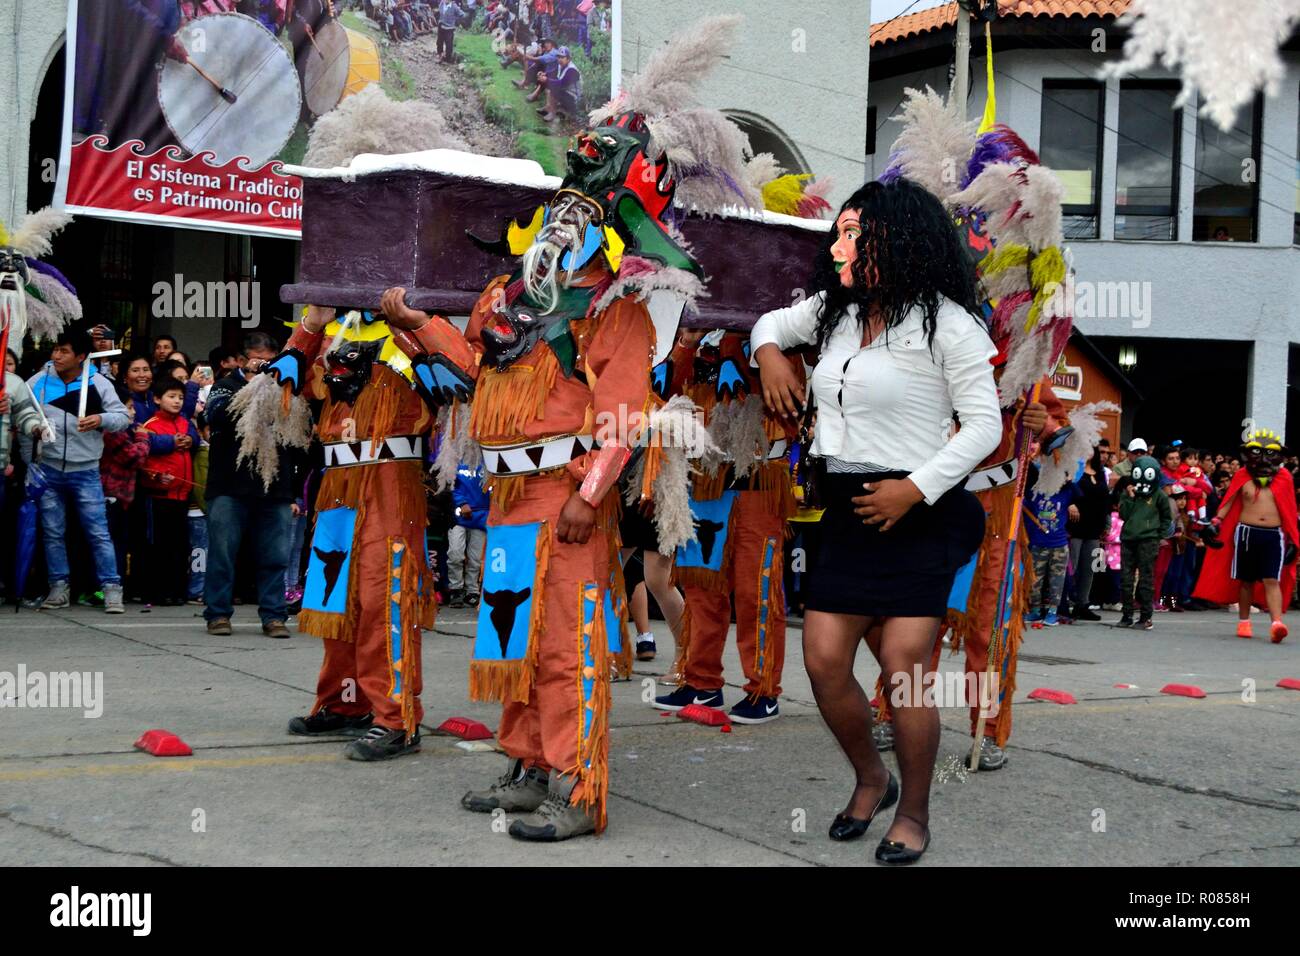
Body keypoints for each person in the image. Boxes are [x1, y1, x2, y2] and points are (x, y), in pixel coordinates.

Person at [752, 178, 1001, 864]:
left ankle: (914, 815)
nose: (838, 246)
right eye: (837, 232)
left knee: (903, 668)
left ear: (895, 239)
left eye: (852, 234)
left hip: (921, 511)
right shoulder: (831, 312)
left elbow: (985, 428)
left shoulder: (950, 323)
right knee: (825, 661)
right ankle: (871, 777)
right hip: (841, 507)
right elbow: (770, 324)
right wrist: (770, 353)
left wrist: (913, 490)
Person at [653, 328, 797, 724]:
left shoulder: (777, 328)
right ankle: (702, 682)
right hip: (703, 481)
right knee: (700, 588)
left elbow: (789, 394)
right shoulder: (693, 333)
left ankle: (762, 689)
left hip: (758, 480)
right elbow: (666, 394)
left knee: (757, 590)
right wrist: (685, 342)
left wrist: (741, 342)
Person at [22, 328, 130, 613]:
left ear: (81, 356)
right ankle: (58, 588)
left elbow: (123, 418)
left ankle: (111, 589)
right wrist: (31, 449)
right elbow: (23, 413)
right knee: (53, 531)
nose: (56, 355)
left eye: (64, 351)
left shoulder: (100, 383)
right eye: (55, 349)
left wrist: (100, 419)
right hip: (48, 469)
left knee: (98, 532)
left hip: (86, 471)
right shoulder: (39, 381)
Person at [202, 332, 297, 640]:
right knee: (222, 554)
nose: (264, 367)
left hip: (276, 489)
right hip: (229, 487)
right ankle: (217, 614)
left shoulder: (287, 390)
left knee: (276, 556)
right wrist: (254, 393)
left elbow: (299, 439)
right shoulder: (223, 387)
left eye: (270, 361)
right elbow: (216, 415)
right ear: (242, 361)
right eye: (257, 361)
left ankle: (274, 616)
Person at [1194, 428, 1297, 642]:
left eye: (1269, 453)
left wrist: (1294, 540)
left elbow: (1289, 509)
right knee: (1246, 580)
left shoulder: (1285, 477)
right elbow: (1229, 502)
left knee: (1271, 579)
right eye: (1257, 452)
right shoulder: (1242, 475)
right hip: (1246, 533)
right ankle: (1244, 622)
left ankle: (1276, 623)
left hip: (1273, 535)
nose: (1262, 459)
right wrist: (1216, 522)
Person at [137, 376, 199, 606]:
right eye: (171, 397)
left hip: (182, 494)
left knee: (179, 545)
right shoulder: (151, 425)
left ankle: (177, 590)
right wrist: (155, 475)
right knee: (158, 545)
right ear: (156, 399)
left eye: (181, 397)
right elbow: (143, 460)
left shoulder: (185, 423)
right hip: (159, 494)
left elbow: (195, 439)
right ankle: (157, 591)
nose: (177, 401)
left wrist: (190, 440)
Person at [1116, 455, 1173, 629]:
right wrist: (1130, 496)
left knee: (1146, 580)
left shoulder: (1159, 495)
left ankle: (1146, 617)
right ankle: (1127, 615)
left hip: (1148, 541)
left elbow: (1166, 516)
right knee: (1126, 578)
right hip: (1129, 539)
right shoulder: (1129, 493)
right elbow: (1123, 514)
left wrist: (1158, 535)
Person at [1024, 468, 1079, 627]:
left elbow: (1079, 494)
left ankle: (1052, 612)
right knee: (1035, 580)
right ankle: (1035, 611)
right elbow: (1023, 492)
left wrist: (1069, 480)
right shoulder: (1036, 494)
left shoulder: (1065, 493)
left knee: (1057, 581)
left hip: (1059, 545)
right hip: (1038, 544)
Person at [1068, 446, 1111, 620]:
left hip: (1095, 527)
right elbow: (1064, 491)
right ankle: (1065, 602)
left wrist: (1106, 524)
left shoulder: (1100, 473)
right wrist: (1070, 504)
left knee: (1090, 567)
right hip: (1076, 525)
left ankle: (1082, 604)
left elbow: (1106, 500)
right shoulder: (1073, 470)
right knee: (1073, 565)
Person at [448, 458, 488, 607]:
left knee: (475, 558)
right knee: (455, 553)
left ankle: (472, 591)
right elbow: (448, 485)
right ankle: (455, 589)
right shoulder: (453, 458)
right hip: (458, 517)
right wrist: (461, 502)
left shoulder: (488, 458)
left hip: (482, 515)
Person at [538, 46, 581, 123]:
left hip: (574, 100)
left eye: (562, 57)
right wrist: (545, 74)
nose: (560, 59)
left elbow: (561, 84)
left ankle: (552, 113)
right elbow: (553, 72)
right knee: (547, 82)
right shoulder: (561, 65)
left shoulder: (572, 70)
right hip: (566, 93)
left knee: (553, 88)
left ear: (568, 59)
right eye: (558, 57)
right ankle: (548, 107)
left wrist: (546, 80)